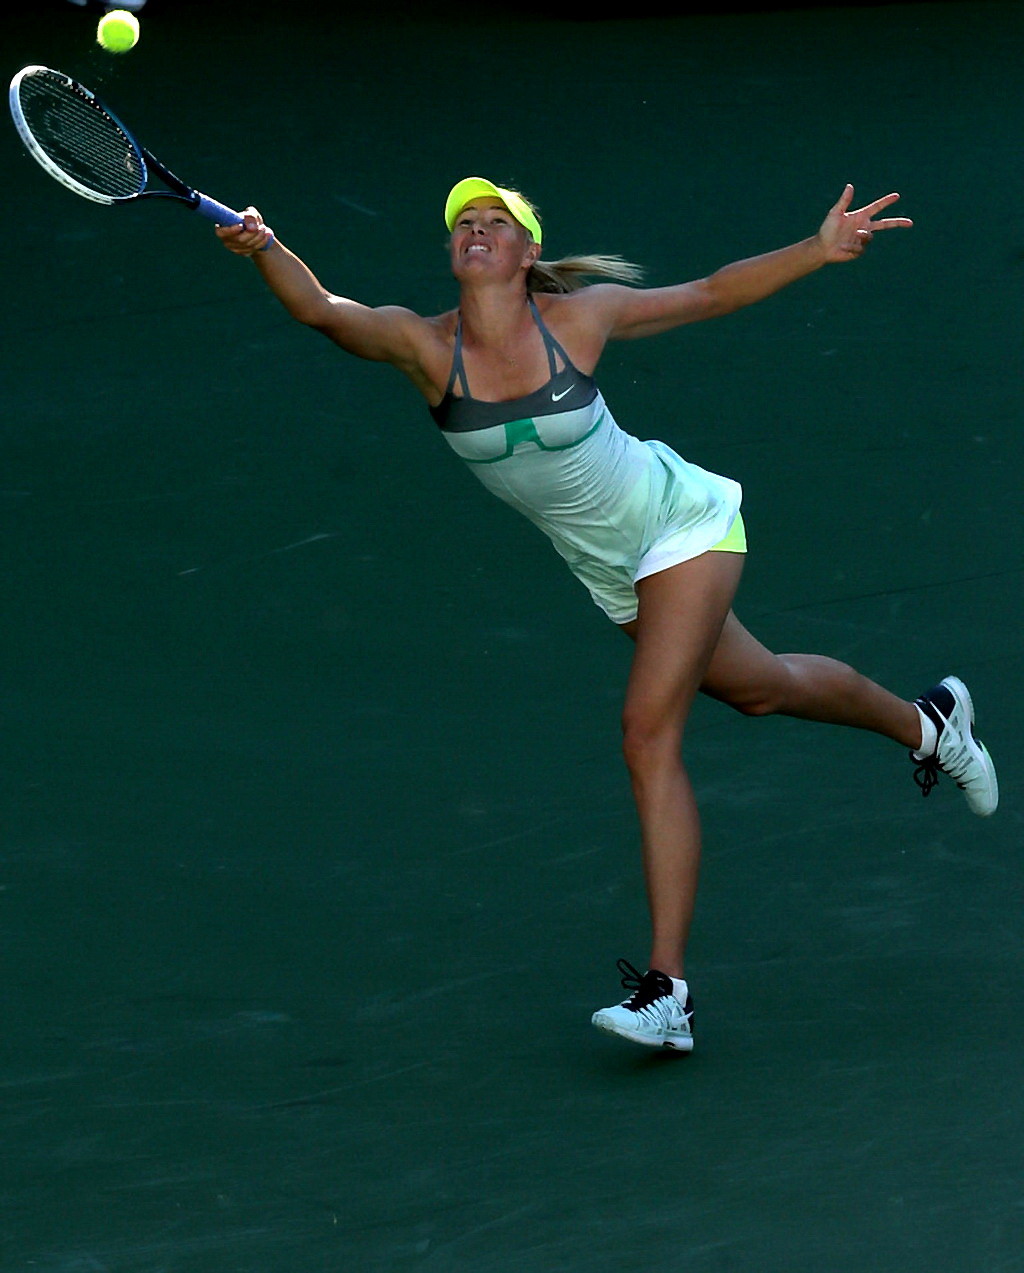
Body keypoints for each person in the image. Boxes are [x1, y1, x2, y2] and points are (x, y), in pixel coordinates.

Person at [215, 177, 998, 1053]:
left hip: (682, 526)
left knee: (645, 734)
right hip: (608, 565)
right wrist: (265, 248)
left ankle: (669, 994)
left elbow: (707, 292)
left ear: (525, 253)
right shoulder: (422, 345)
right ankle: (930, 723)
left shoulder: (583, 319)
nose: (475, 232)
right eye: (462, 225)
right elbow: (323, 308)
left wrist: (817, 249)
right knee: (761, 688)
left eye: (494, 223)